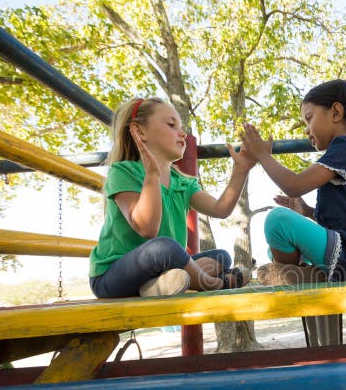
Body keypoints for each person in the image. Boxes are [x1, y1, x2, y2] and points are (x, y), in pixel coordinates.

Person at [240, 79, 346, 282]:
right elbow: (340, 217)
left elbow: (293, 185)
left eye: (309, 118)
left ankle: (304, 276)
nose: (306, 129)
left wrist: (263, 155)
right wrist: (307, 211)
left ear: (336, 112)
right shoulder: (341, 153)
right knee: (274, 246)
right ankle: (313, 275)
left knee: (276, 221)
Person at [89, 97, 253, 298]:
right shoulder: (123, 171)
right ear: (140, 131)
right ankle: (215, 284)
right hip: (112, 277)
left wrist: (241, 171)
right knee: (165, 247)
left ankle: (158, 285)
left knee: (221, 256)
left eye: (181, 127)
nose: (182, 133)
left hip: (159, 268)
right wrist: (152, 176)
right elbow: (147, 228)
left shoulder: (182, 182)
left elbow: (220, 209)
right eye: (171, 124)